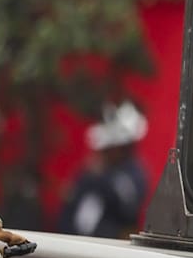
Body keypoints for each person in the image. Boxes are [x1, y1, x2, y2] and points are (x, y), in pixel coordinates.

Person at [59, 101, 151, 238]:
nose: (104, 153)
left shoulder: (133, 174)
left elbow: (126, 203)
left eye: (109, 149)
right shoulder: (89, 175)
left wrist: (100, 178)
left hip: (109, 247)